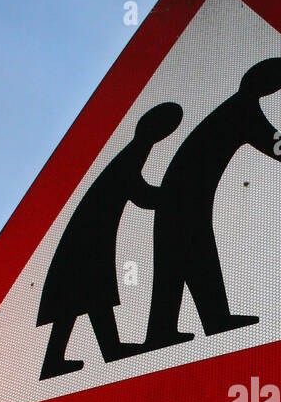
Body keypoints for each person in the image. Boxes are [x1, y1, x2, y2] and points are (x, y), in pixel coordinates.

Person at [138, 57, 281, 352]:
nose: (272, 86)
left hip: (180, 197)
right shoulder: (242, 111)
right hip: (185, 198)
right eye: (272, 80)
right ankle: (201, 322)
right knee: (193, 254)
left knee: (179, 260)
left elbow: (274, 143)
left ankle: (170, 328)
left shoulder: (234, 109)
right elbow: (275, 144)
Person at [36, 101, 183, 380]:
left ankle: (99, 351)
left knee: (85, 296)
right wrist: (173, 193)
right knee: (85, 294)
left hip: (91, 235)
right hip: (90, 236)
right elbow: (138, 192)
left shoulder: (135, 151)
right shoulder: (134, 153)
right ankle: (67, 357)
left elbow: (135, 189)